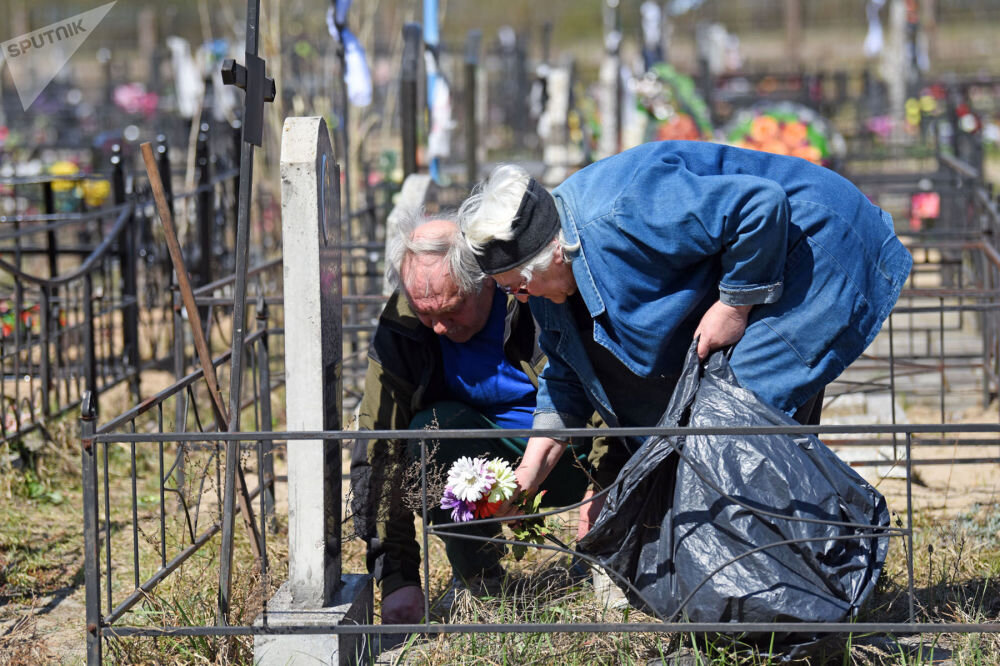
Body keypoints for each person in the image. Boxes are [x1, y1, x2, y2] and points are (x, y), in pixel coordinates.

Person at [459, 140, 913, 526]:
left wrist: (735, 304)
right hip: (774, 256)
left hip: (813, 243)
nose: (519, 297)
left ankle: (808, 561)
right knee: (737, 427)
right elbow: (565, 375)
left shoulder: (623, 212)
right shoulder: (548, 281)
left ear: (551, 255)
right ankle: (805, 563)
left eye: (517, 285)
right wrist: (528, 473)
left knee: (730, 421)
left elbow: (758, 205)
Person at [350, 209, 614, 625]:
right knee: (429, 431)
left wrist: (603, 490)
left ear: (485, 282)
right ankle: (481, 581)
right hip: (477, 470)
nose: (437, 327)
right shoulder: (405, 320)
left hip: (568, 457)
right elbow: (380, 444)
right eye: (426, 314)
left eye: (450, 311)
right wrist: (398, 577)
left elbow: (607, 402)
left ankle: (604, 565)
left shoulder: (532, 290)